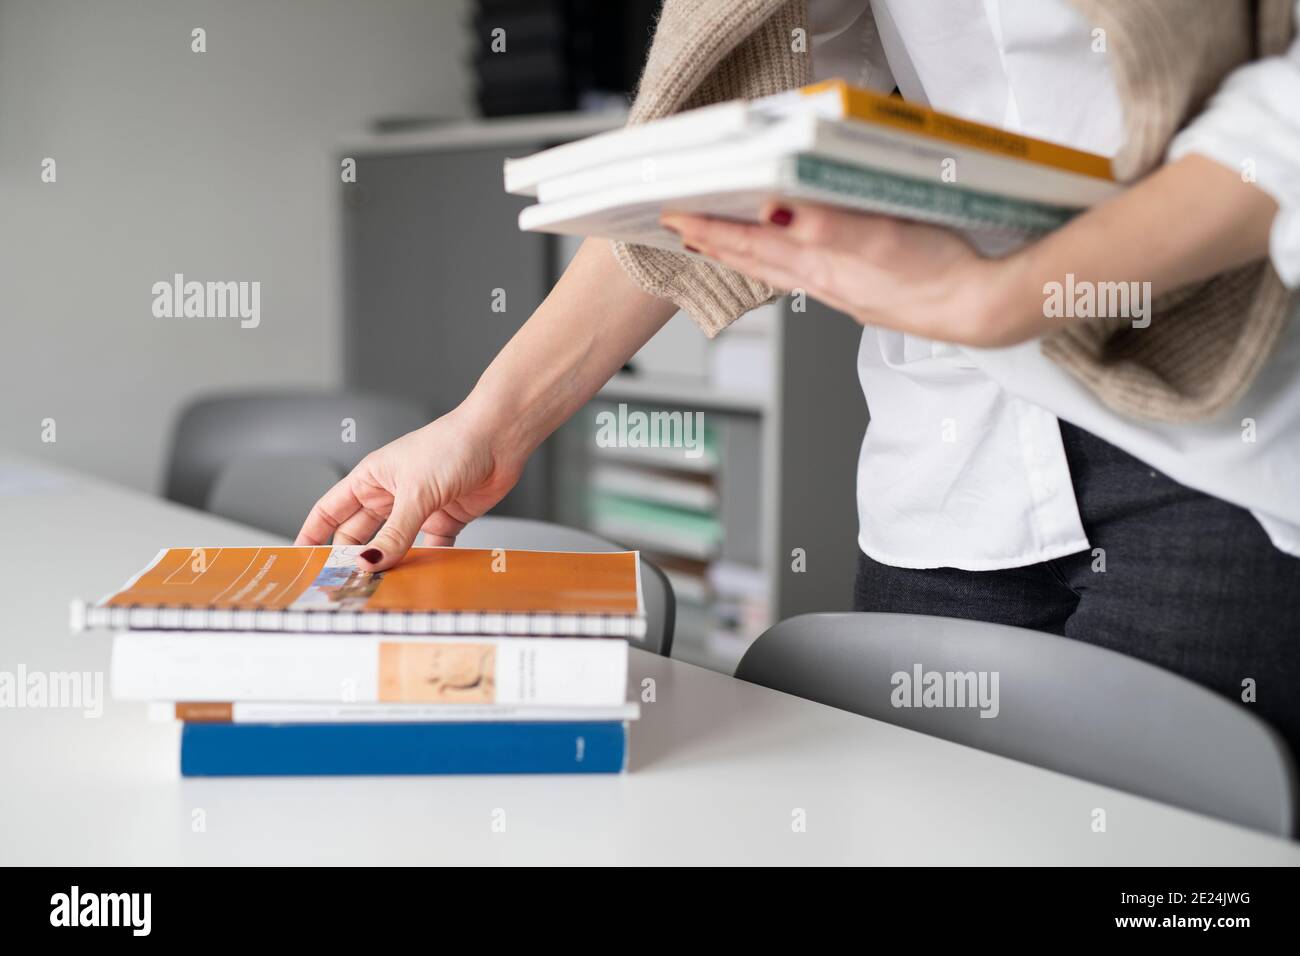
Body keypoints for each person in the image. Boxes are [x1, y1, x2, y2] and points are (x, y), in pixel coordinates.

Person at [299, 0, 1300, 754]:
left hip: (1221, 424)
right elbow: (730, 132)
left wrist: (1015, 293)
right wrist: (489, 421)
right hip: (949, 452)